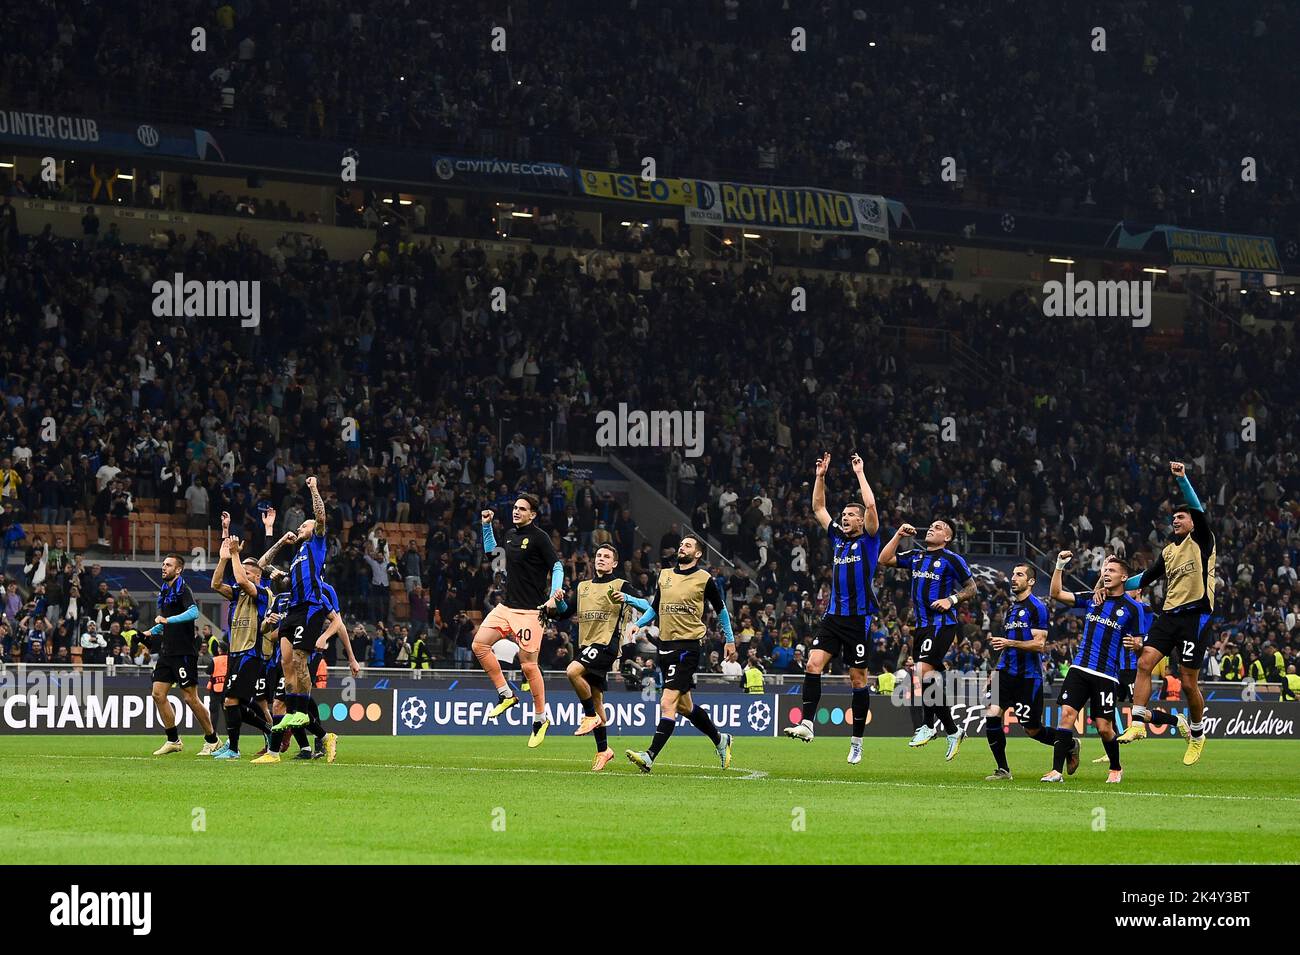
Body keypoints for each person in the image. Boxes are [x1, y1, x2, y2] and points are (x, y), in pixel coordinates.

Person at [783, 452, 881, 766]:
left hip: (858, 620)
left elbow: (872, 507)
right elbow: (818, 507)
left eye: (850, 515)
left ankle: (856, 742)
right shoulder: (838, 538)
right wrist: (820, 476)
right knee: (813, 664)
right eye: (844, 515)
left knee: (857, 680)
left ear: (860, 518)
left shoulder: (868, 540)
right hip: (833, 617)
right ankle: (808, 724)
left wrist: (860, 473)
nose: (845, 518)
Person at [1116, 462, 1215, 766]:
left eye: (1180, 516)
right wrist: (1118, 584)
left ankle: (1197, 733)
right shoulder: (1169, 551)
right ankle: (1136, 724)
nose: (1175, 520)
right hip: (1169, 615)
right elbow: (1145, 578)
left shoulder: (1202, 540)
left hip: (1196, 616)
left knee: (1187, 682)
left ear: (1193, 522)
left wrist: (1182, 479)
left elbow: (1197, 507)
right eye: (1173, 517)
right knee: (1144, 662)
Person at [625, 534, 736, 773]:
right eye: (681, 544)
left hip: (687, 646)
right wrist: (639, 624)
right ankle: (720, 739)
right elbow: (656, 607)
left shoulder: (704, 578)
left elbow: (721, 610)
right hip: (665, 646)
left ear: (697, 554)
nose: (681, 547)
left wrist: (730, 639)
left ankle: (649, 756)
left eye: (688, 545)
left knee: (667, 702)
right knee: (685, 706)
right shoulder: (664, 575)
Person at [879, 518, 977, 759]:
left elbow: (972, 588)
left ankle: (940, 728)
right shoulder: (915, 556)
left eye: (940, 527)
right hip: (922, 627)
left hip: (942, 624)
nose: (932, 527)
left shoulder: (952, 559)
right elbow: (884, 559)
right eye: (931, 525)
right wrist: (899, 534)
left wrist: (951, 600)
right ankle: (940, 727)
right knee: (927, 675)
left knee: (923, 671)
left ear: (948, 538)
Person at [1045, 551, 1146, 784]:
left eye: (1112, 570)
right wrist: (1060, 564)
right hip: (1079, 667)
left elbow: (1141, 644)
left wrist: (1138, 644)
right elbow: (1056, 593)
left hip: (1106, 674)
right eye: (1105, 570)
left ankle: (1115, 767)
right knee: (1067, 715)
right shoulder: (1094, 598)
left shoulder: (1133, 609)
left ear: (1124, 577)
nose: (1107, 573)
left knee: (1104, 727)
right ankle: (1055, 771)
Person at [473, 495, 564, 747]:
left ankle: (540, 718)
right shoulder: (511, 535)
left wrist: (555, 592)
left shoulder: (540, 538)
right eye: (515, 508)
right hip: (506, 607)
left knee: (528, 666)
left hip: (530, 612)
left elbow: (557, 566)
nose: (516, 511)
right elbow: (493, 553)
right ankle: (506, 694)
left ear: (532, 514)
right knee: (479, 645)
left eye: (522, 509)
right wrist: (486, 525)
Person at [547, 542, 648, 771]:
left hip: (606, 644)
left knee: (572, 671)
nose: (601, 559)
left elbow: (646, 605)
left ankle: (589, 715)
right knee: (597, 699)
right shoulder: (583, 587)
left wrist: (627, 598)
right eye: (598, 555)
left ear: (614, 563)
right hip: (586, 645)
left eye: (606, 556)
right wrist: (561, 599)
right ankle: (604, 750)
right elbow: (564, 614)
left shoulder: (620, 584)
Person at [254, 475, 330, 762]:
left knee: (298, 660)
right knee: (286, 661)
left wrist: (313, 487)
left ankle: (298, 714)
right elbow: (262, 565)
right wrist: (280, 543)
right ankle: (296, 712)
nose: (301, 527)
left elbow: (320, 516)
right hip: (292, 611)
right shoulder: (297, 558)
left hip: (310, 609)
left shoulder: (317, 545)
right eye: (300, 526)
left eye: (304, 525)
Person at [983, 563, 1059, 780]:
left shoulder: (1037, 608)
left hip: (1028, 677)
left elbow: (1039, 645)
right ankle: (1003, 770)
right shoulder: (1012, 608)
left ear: (1031, 581)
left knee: (1031, 730)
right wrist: (995, 671)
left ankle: (1068, 742)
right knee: (992, 714)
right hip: (1006, 672)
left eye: (1019, 575)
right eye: (1012, 574)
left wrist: (1008, 642)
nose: (1013, 578)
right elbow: (1006, 647)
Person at [147, 554, 221, 755]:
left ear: (178, 570)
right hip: (167, 651)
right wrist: (151, 632)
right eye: (163, 564)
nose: (164, 567)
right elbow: (164, 622)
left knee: (190, 698)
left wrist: (167, 621)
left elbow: (194, 612)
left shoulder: (183, 589)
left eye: (168, 565)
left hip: (184, 652)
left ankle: (212, 740)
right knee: (157, 694)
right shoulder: (166, 590)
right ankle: (173, 740)